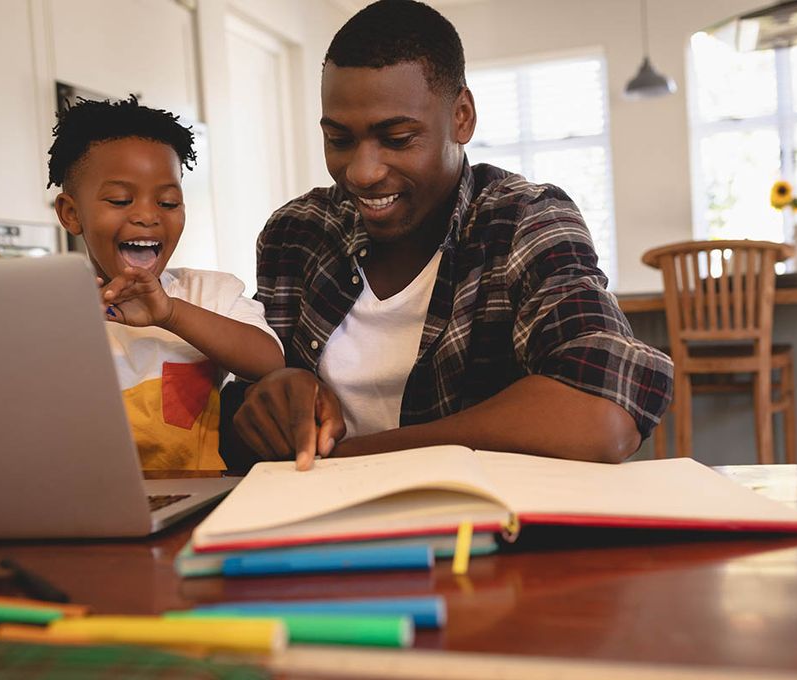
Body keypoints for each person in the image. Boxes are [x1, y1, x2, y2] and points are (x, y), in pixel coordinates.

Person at [221, 0, 672, 471]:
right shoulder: (296, 233)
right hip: (315, 515)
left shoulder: (524, 219)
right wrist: (265, 398)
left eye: (397, 138)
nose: (361, 171)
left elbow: (602, 413)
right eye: (339, 140)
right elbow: (240, 413)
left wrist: (353, 461)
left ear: (462, 116)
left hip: (481, 514)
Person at [47, 97, 284, 470]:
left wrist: (170, 313)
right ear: (72, 213)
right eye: (120, 200)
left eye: (168, 203)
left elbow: (270, 362)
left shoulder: (208, 293)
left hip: (197, 496)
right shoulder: (48, 311)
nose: (147, 216)